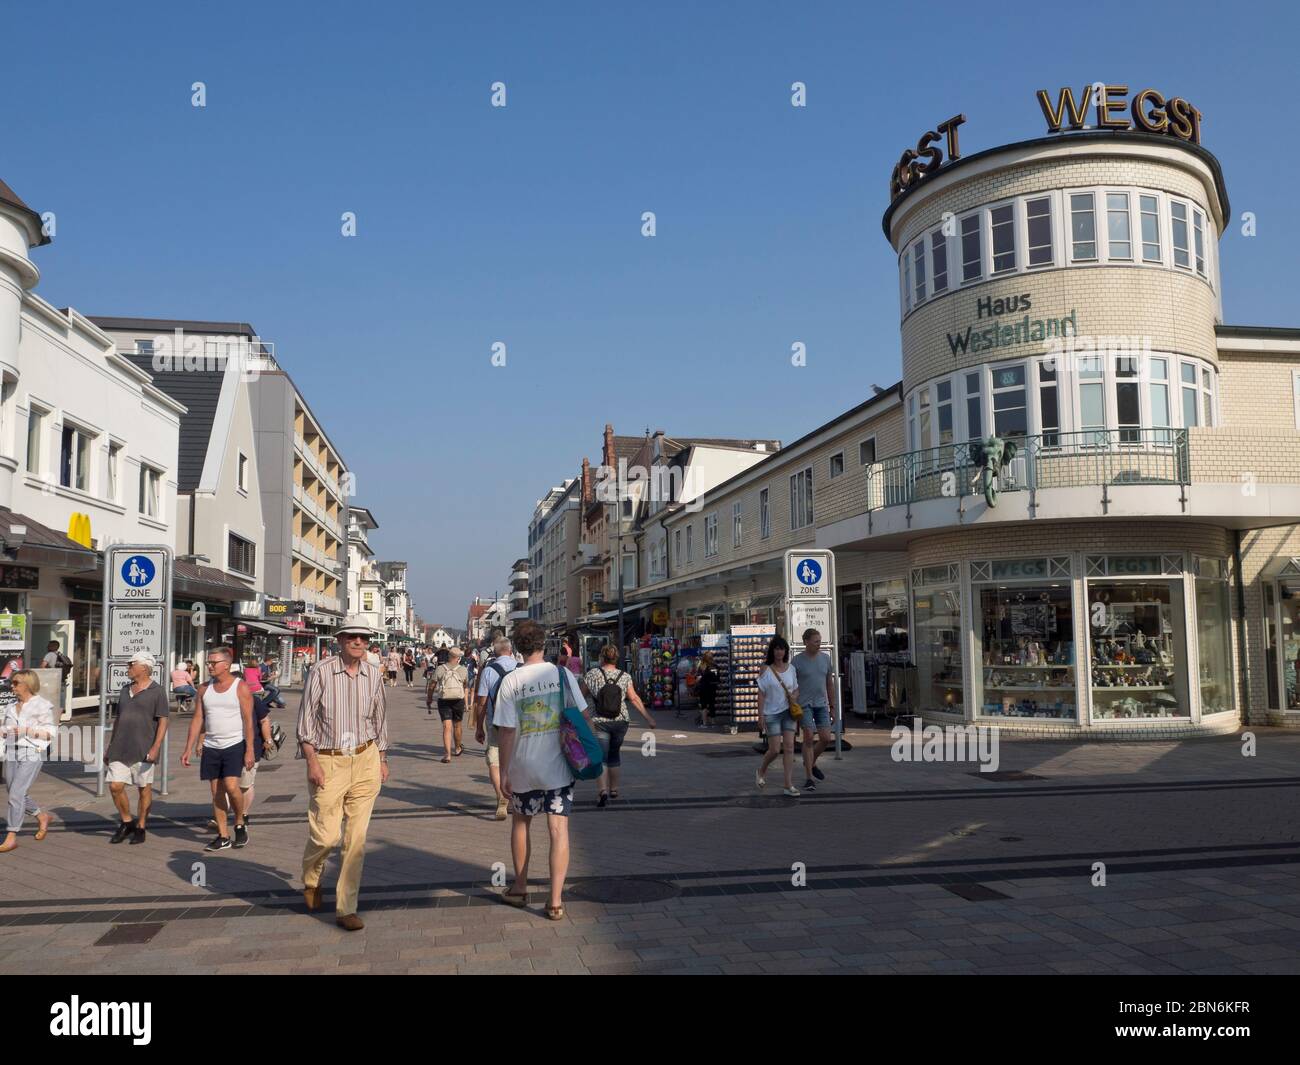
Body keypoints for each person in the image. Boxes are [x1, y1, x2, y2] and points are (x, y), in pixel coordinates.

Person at [297, 619, 389, 932]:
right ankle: (311, 878)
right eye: (353, 637)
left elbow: (380, 718)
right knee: (326, 836)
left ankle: (346, 907)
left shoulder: (374, 675)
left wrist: (383, 757)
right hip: (328, 760)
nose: (359, 642)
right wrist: (312, 761)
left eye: (364, 638)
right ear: (340, 640)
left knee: (355, 840)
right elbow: (306, 722)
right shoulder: (321, 672)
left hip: (365, 759)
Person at [494, 620, 588, 920]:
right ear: (543, 644)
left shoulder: (511, 680)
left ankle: (520, 887)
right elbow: (583, 713)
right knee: (558, 830)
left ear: (518, 648)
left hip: (523, 766)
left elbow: (506, 732)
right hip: (558, 766)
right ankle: (555, 901)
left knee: (521, 823)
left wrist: (504, 772)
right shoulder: (561, 674)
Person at [181, 646, 255, 851]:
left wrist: (250, 749)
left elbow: (249, 720)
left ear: (226, 665)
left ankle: (239, 821)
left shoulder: (240, 687)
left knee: (231, 786)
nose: (209, 666)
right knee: (216, 792)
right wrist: (189, 747)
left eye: (213, 663)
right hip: (211, 746)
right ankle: (223, 836)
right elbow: (198, 718)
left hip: (233, 744)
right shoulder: (204, 689)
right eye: (208, 662)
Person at [104, 653, 171, 844]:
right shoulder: (125, 690)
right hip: (120, 746)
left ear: (143, 667)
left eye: (131, 664)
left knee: (144, 788)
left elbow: (163, 720)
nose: (128, 667)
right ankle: (127, 821)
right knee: (115, 786)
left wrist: (156, 746)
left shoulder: (157, 691)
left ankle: (141, 826)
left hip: (144, 747)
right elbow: (118, 719)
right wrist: (109, 746)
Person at [581, 644, 656, 807]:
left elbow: (581, 696)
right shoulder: (625, 676)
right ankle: (614, 789)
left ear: (601, 657)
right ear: (616, 658)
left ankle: (602, 792)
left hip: (599, 721)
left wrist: (580, 716)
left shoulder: (592, 675)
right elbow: (634, 698)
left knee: (601, 757)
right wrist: (648, 718)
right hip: (621, 721)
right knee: (614, 755)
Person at [0, 670, 55, 852]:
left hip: (33, 751)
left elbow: (50, 733)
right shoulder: (10, 706)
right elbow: (5, 729)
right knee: (14, 790)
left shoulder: (42, 705)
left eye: (16, 683)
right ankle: (42, 816)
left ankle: (11, 835)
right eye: (12, 683)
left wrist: (26, 731)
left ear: (28, 684)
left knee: (16, 793)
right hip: (11, 751)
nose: (12, 686)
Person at [474, 635, 517, 820]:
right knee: (515, 759)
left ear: (495, 652)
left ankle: (501, 796)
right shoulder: (520, 668)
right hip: (517, 723)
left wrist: (478, 726)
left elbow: (482, 702)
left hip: (495, 722)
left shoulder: (488, 671)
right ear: (510, 650)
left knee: (494, 760)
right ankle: (514, 797)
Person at [755, 635, 800, 797]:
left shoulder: (791, 668)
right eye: (776, 648)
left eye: (782, 649)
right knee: (774, 749)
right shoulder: (765, 669)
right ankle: (761, 771)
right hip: (771, 713)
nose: (779, 652)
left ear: (786, 651)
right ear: (772, 651)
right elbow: (761, 694)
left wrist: (794, 696)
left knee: (789, 747)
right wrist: (760, 717)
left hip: (788, 712)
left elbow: (796, 688)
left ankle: (788, 784)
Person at [793, 628, 837, 792]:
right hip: (804, 705)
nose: (819, 644)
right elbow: (792, 686)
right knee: (809, 737)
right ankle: (809, 777)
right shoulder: (796, 662)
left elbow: (829, 684)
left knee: (825, 738)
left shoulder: (825, 659)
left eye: (820, 641)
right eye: (816, 641)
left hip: (821, 704)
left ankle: (810, 761)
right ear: (806, 642)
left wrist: (833, 706)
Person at [429, 648, 469, 762]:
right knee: (457, 725)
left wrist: (429, 698)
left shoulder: (440, 669)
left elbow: (432, 685)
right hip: (458, 700)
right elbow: (466, 686)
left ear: (448, 657)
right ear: (458, 658)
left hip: (444, 699)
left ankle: (447, 755)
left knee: (447, 727)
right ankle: (457, 748)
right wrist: (467, 703)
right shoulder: (463, 670)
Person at [695, 651, 719, 727]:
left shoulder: (702, 666)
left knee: (704, 705)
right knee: (712, 704)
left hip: (704, 687)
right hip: (713, 687)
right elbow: (718, 677)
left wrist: (696, 681)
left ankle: (705, 723)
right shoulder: (716, 666)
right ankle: (713, 723)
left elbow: (698, 678)